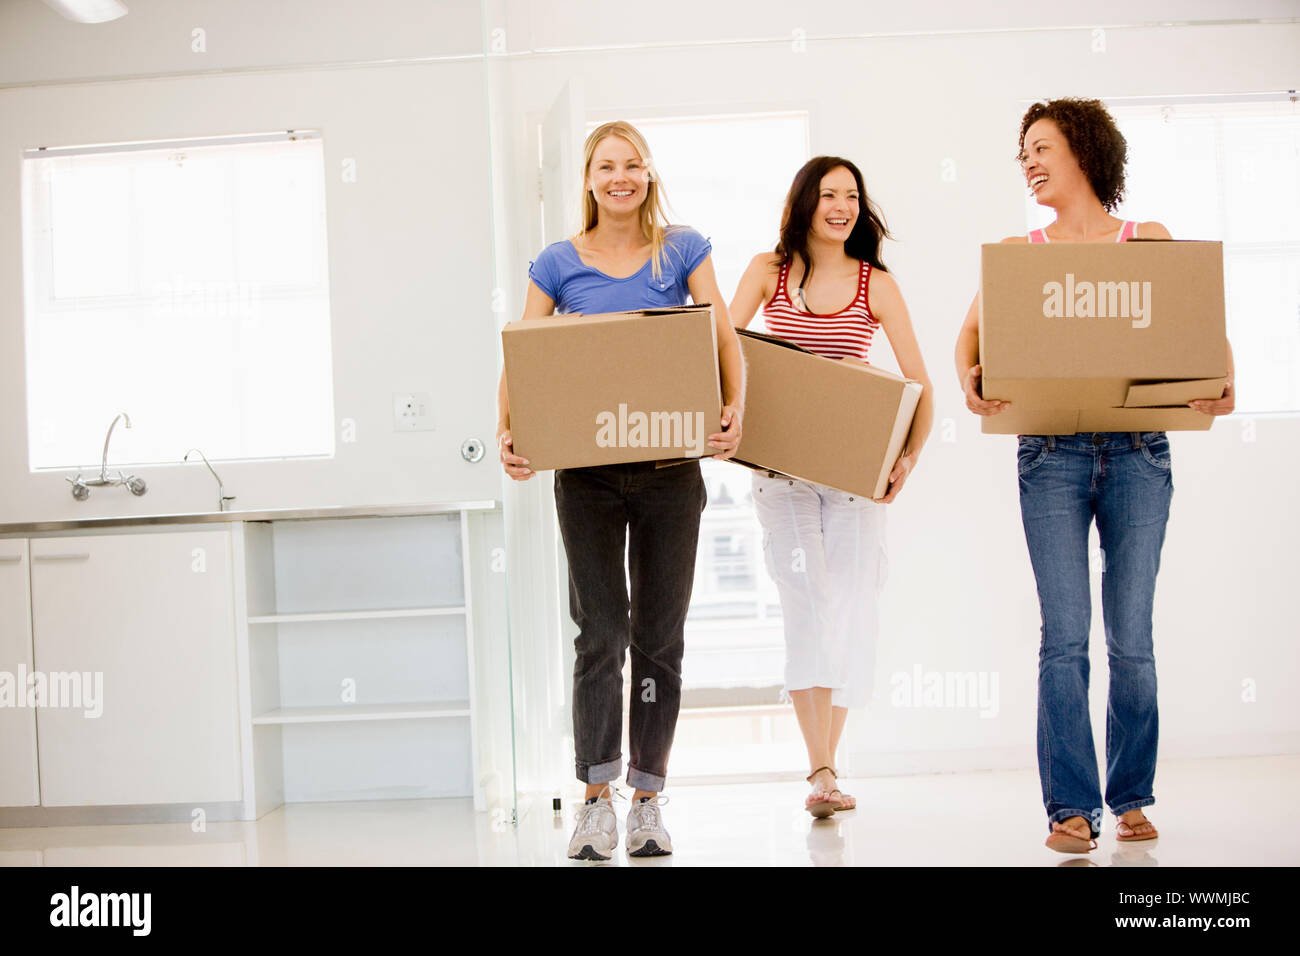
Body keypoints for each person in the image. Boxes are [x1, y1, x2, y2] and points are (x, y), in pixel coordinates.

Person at [954, 97, 1235, 853]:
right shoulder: (1024, 252)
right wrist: (972, 382)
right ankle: (1070, 808)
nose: (1029, 163)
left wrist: (1221, 382)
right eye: (1023, 154)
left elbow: (1202, 328)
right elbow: (969, 342)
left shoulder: (1149, 241)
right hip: (1051, 454)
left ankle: (1132, 792)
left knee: (1131, 637)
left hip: (1140, 452)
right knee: (1065, 637)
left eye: (1040, 147)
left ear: (1083, 149)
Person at [496, 120, 745, 860]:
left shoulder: (683, 250)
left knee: (659, 640)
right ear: (589, 179)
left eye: (632, 165)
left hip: (672, 471)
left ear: (647, 174)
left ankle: (646, 799)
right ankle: (595, 800)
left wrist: (736, 413)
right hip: (588, 477)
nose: (620, 177)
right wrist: (507, 430)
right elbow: (523, 355)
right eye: (607, 166)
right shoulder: (556, 263)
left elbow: (723, 337)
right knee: (601, 634)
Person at [730, 156, 933, 817]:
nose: (841, 206)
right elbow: (725, 352)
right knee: (807, 603)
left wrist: (906, 458)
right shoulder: (769, 271)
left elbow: (918, 384)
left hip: (852, 476)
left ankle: (829, 764)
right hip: (781, 474)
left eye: (851, 195)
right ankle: (818, 768)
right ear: (804, 203)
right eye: (828, 194)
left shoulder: (877, 283)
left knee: (850, 608)